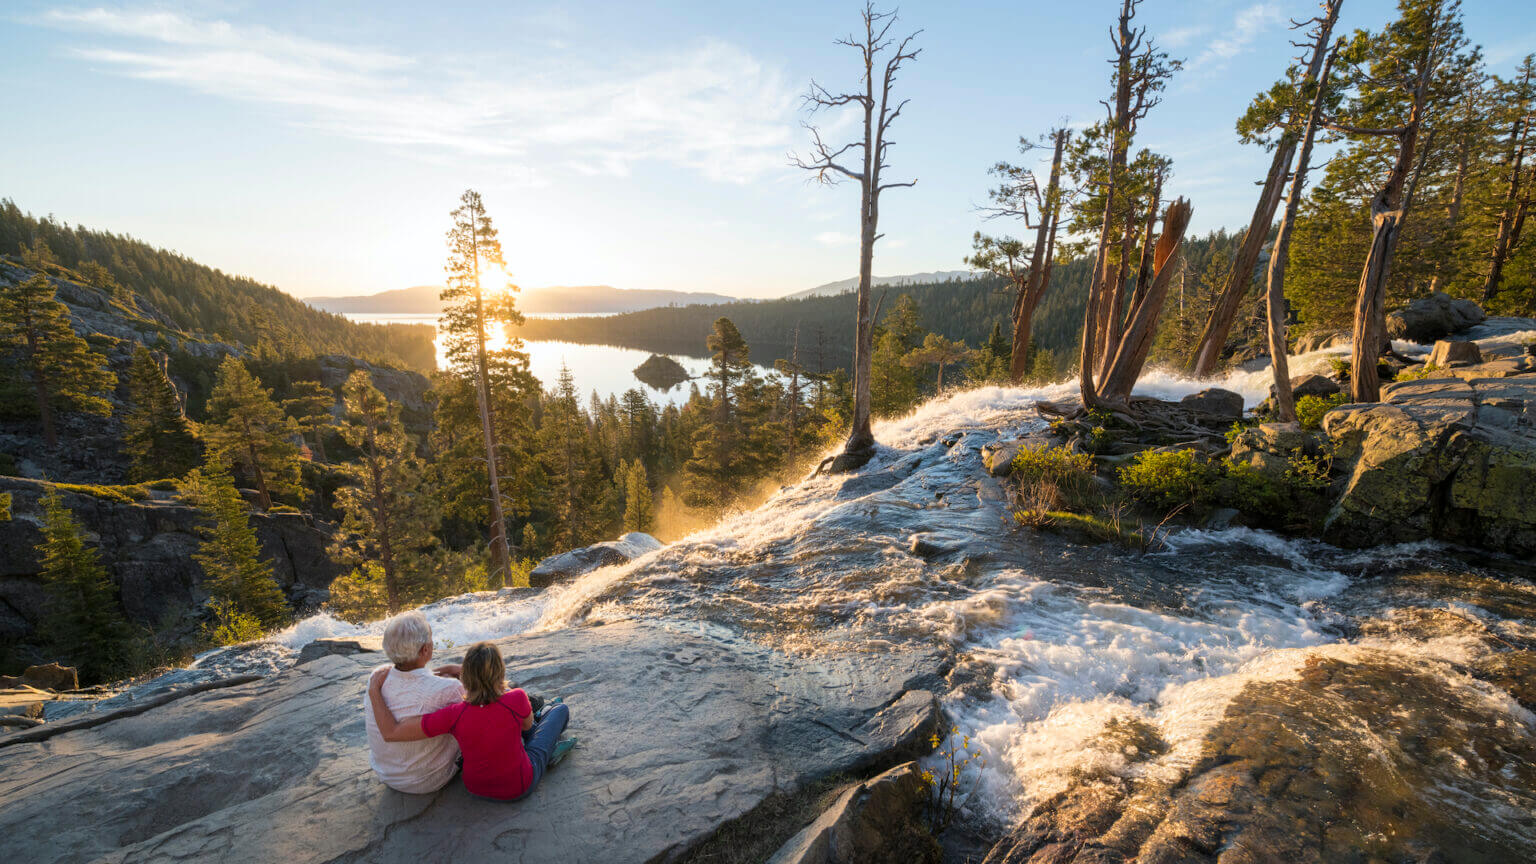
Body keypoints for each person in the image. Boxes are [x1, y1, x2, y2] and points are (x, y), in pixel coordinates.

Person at [368, 640, 574, 801]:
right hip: (519, 786)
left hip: (476, 789)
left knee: (521, 722)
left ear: (465, 677)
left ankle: (542, 723)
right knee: (559, 710)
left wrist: (374, 690)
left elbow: (392, 731)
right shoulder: (516, 697)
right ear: (500, 672)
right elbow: (529, 729)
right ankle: (549, 746)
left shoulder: (453, 713)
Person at [364, 611, 466, 794]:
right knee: (466, 714)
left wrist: (449, 669)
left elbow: (415, 679)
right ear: (425, 650)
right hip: (428, 779)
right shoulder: (449, 688)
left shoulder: (377, 677)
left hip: (387, 774)